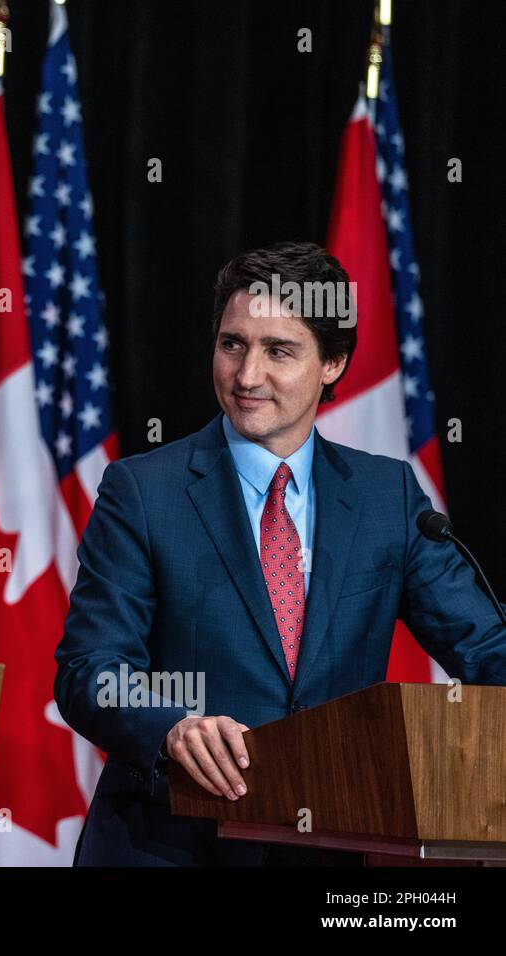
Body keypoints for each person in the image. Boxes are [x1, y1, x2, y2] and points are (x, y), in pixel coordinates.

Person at [55, 241, 506, 866]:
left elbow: (486, 649)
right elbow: (90, 670)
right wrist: (172, 727)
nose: (246, 377)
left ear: (333, 363)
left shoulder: (387, 497)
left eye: (279, 351)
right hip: (167, 844)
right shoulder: (143, 491)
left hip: (332, 851)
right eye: (232, 344)